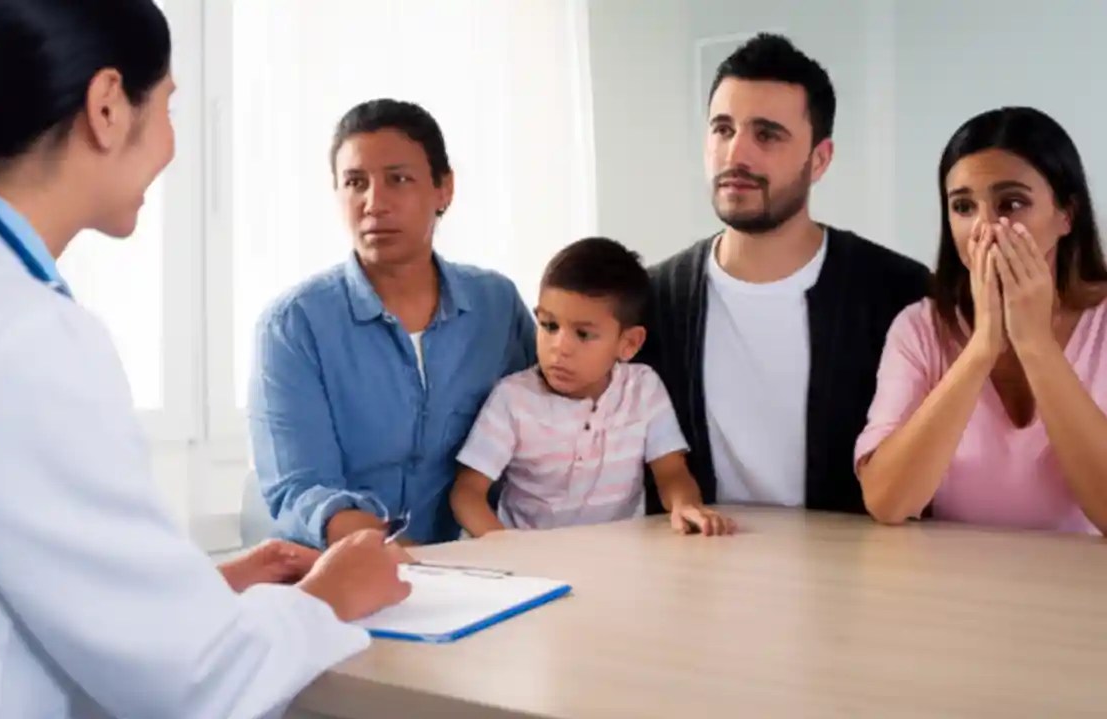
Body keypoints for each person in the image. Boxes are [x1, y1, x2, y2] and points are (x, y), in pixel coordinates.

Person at [0, 2, 409, 718]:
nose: (171, 143)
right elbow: (197, 684)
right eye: (168, 106)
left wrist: (194, 594)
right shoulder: (18, 333)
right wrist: (328, 598)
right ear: (107, 107)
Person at [639, 33, 928, 517]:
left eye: (767, 135)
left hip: (854, 558)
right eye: (723, 129)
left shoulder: (898, 294)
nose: (736, 155)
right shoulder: (653, 301)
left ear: (820, 159)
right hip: (696, 557)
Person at [246, 99, 535, 549]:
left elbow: (547, 427)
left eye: (398, 179)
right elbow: (301, 491)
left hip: (482, 564)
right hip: (341, 568)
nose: (374, 203)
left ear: (444, 189)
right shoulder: (292, 325)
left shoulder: (496, 306)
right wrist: (415, 562)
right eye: (355, 183)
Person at [857, 107, 1107, 535]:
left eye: (1012, 203)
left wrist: (1035, 344)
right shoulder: (919, 329)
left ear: (1066, 214)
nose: (985, 228)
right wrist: (982, 347)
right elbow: (888, 501)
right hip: (958, 575)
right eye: (963, 207)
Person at [451, 238, 734, 536]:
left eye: (583, 334)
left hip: (618, 556)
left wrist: (685, 505)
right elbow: (467, 493)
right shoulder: (513, 399)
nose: (559, 347)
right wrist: (506, 546)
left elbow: (672, 472)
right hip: (531, 559)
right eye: (549, 326)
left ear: (629, 343)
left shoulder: (643, 388)